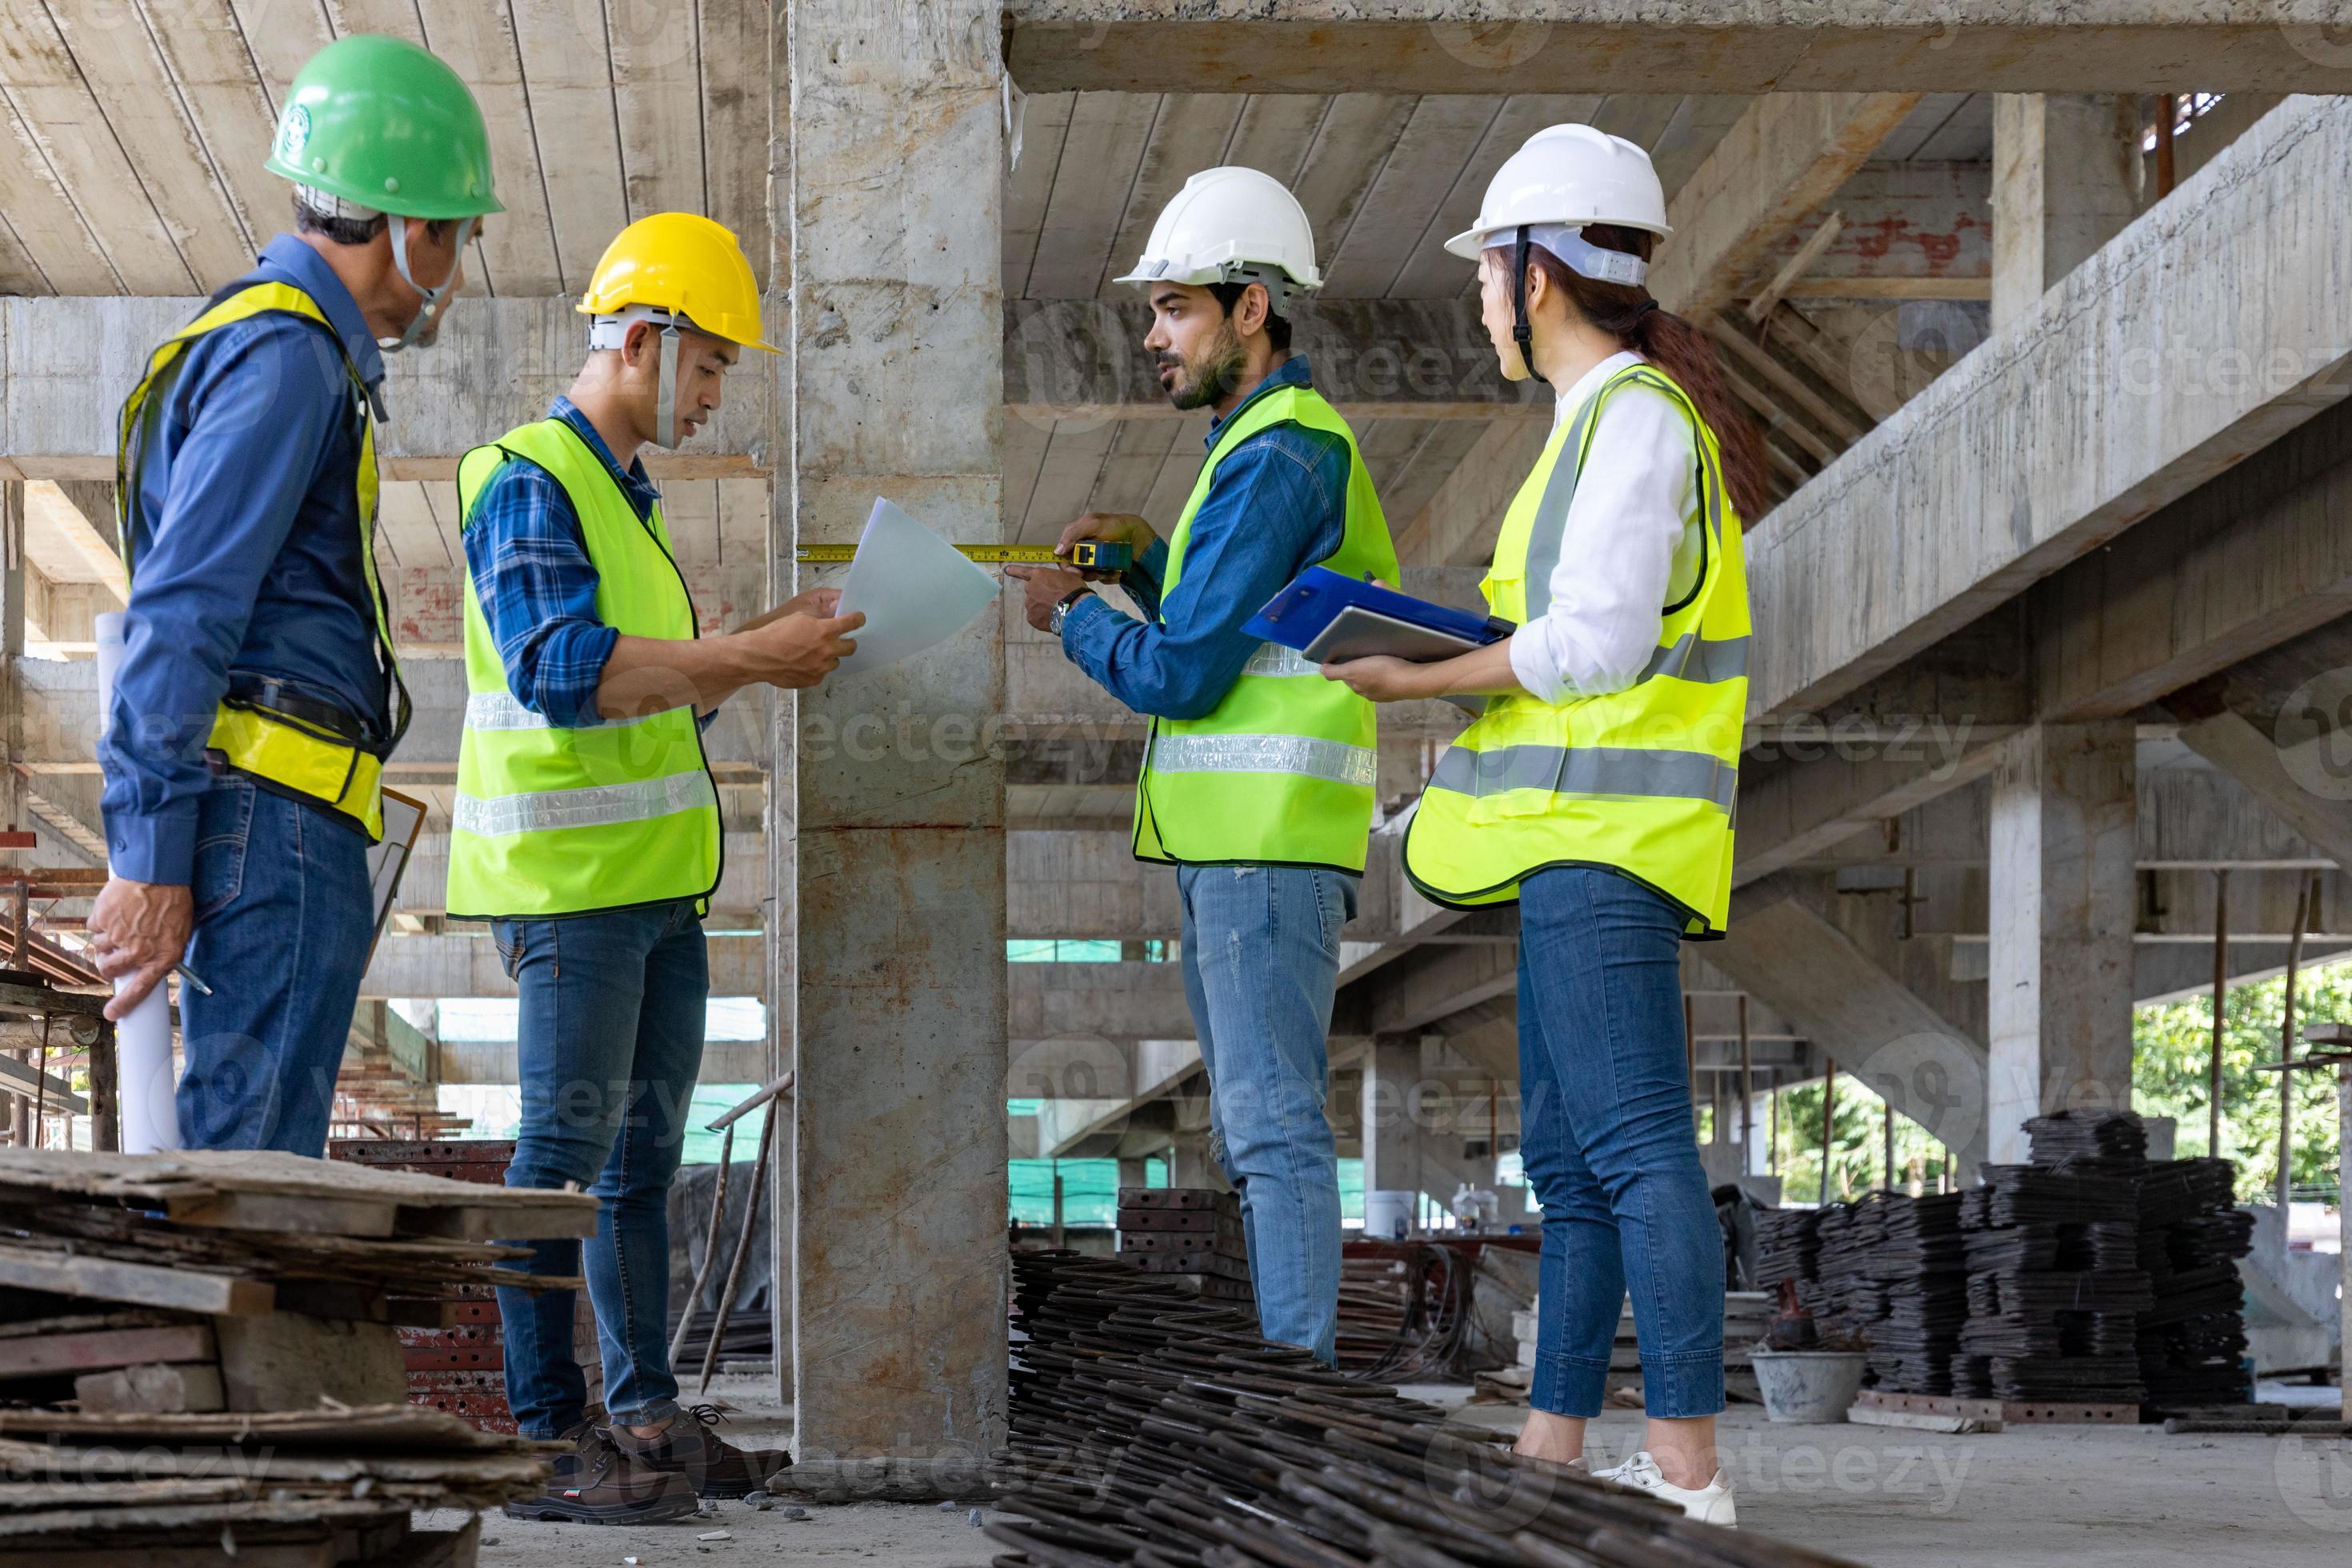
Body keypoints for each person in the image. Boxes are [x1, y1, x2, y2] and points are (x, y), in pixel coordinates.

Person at [1320, 126, 1765, 1525]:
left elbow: (1593, 648)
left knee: (1635, 1154)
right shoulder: (1593, 426)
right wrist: (1463, 659)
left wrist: (1420, 673)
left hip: (1612, 845)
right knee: (1572, 1168)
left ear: (1536, 271)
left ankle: (1690, 1476)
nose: (1475, 298)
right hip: (1569, 843)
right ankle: (1552, 1453)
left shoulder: (1634, 420)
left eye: (1484, 272)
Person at [453, 212, 860, 1524]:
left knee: (638, 1162)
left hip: (654, 894)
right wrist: (746, 657)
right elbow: (562, 673)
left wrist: (754, 645)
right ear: (640, 341)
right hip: (575, 901)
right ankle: (543, 1436)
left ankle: (643, 1420)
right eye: (707, 363)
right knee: (562, 1161)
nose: (713, 390)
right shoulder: (528, 480)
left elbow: (655, 699)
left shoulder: (621, 501)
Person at [1006, 167, 1398, 1365]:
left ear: (1252, 308)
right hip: (1246, 849)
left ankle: (1298, 1386)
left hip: (1261, 850)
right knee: (1256, 1131)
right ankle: (1292, 1368)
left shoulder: (1278, 454)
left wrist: (1075, 613)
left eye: (1174, 307)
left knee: (1273, 1130)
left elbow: (1183, 677)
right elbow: (1248, 624)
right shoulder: (1263, 451)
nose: (1151, 336)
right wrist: (1149, 557)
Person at [90, 34, 500, 1153]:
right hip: (272, 824)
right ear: (409, 228)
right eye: (457, 237)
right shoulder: (287, 359)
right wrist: (144, 857)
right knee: (254, 1181)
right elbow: (183, 613)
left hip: (282, 821)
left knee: (258, 1166)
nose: (456, 269)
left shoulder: (282, 350)